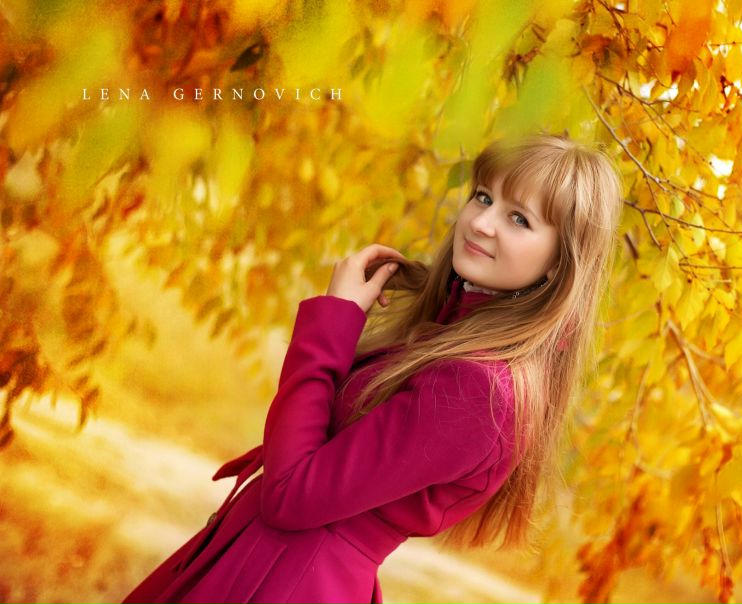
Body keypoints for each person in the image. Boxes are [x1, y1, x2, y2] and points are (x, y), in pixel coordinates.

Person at [119, 131, 623, 604]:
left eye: (519, 219)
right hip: (274, 565)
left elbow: (291, 496)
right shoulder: (454, 346)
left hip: (283, 580)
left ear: (559, 263)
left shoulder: (479, 389)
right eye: (484, 197)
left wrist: (331, 326)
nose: (481, 222)